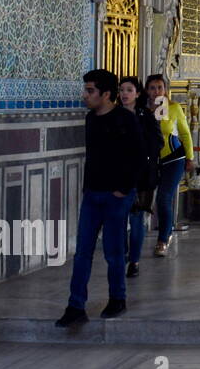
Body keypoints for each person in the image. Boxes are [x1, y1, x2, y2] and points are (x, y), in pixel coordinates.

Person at [55, 70, 148, 326]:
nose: (85, 95)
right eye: (85, 90)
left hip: (116, 196)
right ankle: (76, 306)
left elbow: (139, 157)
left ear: (106, 94)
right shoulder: (90, 119)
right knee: (83, 252)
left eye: (90, 91)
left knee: (113, 251)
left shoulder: (125, 120)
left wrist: (123, 188)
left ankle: (117, 298)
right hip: (93, 194)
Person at [145, 73, 194, 257]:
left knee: (163, 198)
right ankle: (166, 228)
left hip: (173, 158)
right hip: (151, 161)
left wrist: (190, 158)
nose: (156, 91)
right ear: (147, 91)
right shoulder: (142, 110)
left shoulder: (173, 108)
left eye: (159, 87)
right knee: (146, 199)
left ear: (165, 90)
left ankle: (163, 239)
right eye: (152, 88)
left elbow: (185, 134)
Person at [118, 76, 161, 279]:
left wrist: (144, 158)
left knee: (136, 219)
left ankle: (134, 261)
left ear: (137, 93)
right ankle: (123, 253)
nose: (124, 94)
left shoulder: (146, 115)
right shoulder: (114, 115)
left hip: (143, 175)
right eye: (121, 90)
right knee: (119, 218)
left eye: (129, 90)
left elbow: (157, 142)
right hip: (119, 175)